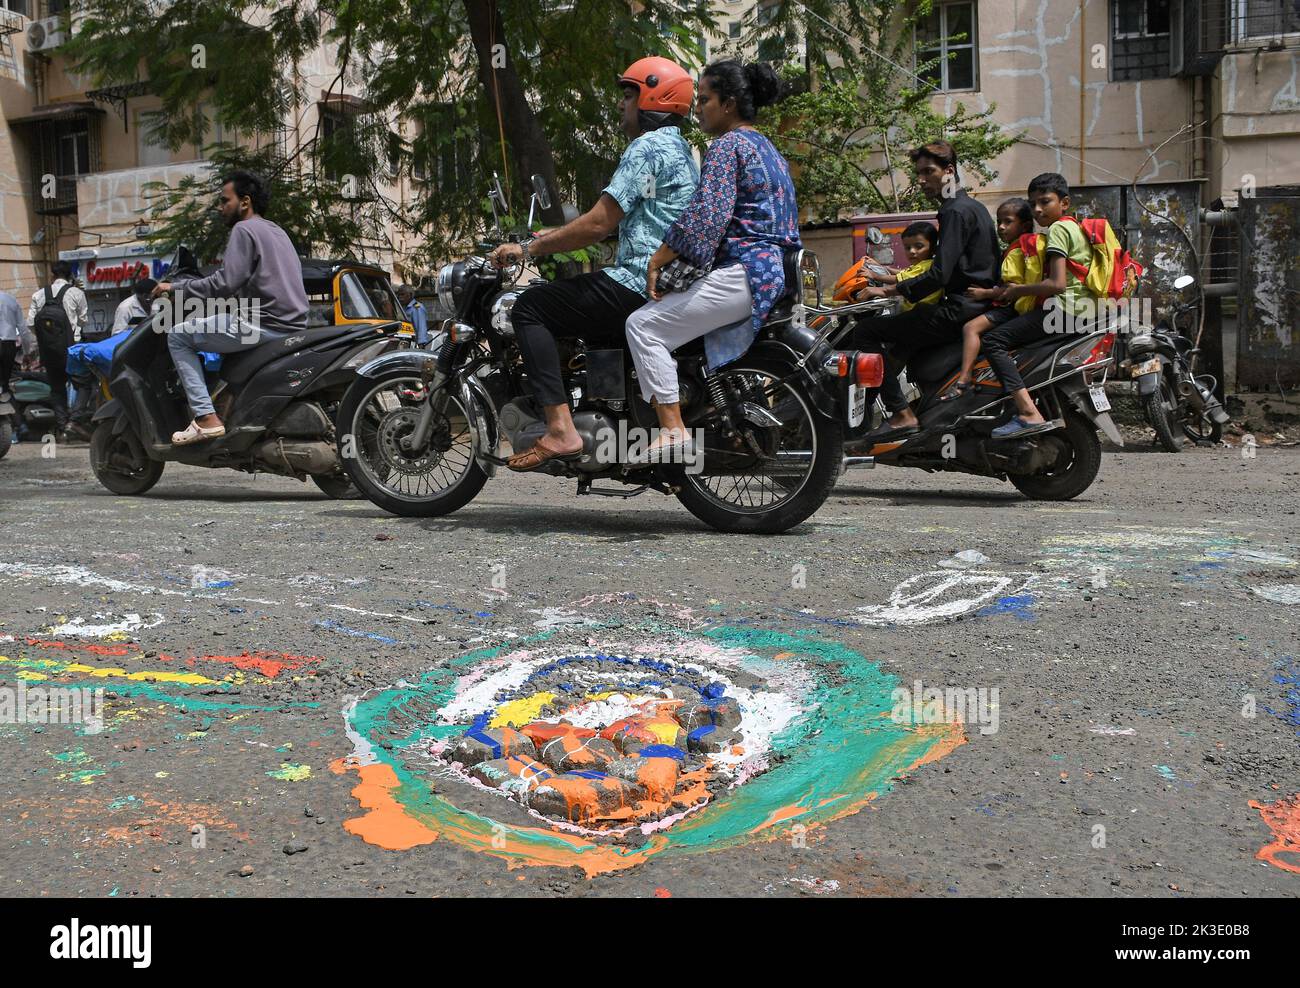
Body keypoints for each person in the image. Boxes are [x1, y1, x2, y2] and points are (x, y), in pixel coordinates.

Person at [488, 56, 699, 472]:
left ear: (652, 98)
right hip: (667, 281)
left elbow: (598, 224)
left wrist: (530, 250)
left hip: (638, 280)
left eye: (628, 96)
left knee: (530, 308)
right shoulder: (680, 149)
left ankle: (561, 429)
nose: (621, 105)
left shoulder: (648, 147)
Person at [623, 59, 799, 462]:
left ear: (730, 104)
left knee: (643, 327)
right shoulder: (768, 148)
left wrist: (658, 257)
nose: (697, 108)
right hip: (774, 275)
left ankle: (672, 430)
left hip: (745, 273)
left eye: (704, 100)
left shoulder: (727, 146)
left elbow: (706, 220)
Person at [851, 140, 1000, 442]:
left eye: (928, 172)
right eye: (918, 173)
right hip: (976, 307)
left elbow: (939, 273)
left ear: (949, 170)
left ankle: (900, 414)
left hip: (958, 310)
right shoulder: (974, 207)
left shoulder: (954, 211)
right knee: (907, 333)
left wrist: (895, 290)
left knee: (865, 333)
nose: (921, 180)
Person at [151, 169, 308, 445]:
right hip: (292, 326)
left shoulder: (243, 229)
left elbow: (225, 283)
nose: (220, 207)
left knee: (177, 335)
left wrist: (175, 288)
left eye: (225, 201)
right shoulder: (277, 231)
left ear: (244, 202)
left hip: (261, 326)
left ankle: (205, 417)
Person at [970, 172, 1092, 439]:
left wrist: (1017, 291)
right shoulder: (1076, 227)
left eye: (1045, 202)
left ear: (1064, 202)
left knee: (993, 341)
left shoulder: (1058, 230)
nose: (1038, 209)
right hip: (1083, 311)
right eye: (1033, 203)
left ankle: (1027, 411)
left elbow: (1056, 284)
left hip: (1063, 310)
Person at [940, 197, 1036, 401]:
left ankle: (964, 378)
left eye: (1008, 222)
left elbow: (1012, 289)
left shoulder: (1018, 250)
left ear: (1025, 225)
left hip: (1010, 307)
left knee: (970, 328)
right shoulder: (1017, 247)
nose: (1001, 227)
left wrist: (985, 293)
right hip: (1014, 307)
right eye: (999, 221)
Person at [27, 260, 89, 434]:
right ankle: (75, 420)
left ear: (52, 275)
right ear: (70, 276)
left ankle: (62, 427)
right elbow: (84, 320)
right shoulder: (76, 293)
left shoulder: (39, 294)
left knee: (57, 388)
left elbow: (31, 323)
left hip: (48, 349)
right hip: (72, 347)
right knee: (83, 383)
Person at [0, 288, 26, 395]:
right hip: (8, 344)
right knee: (5, 377)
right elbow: (22, 327)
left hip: (8, 343)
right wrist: (27, 349)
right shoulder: (11, 299)